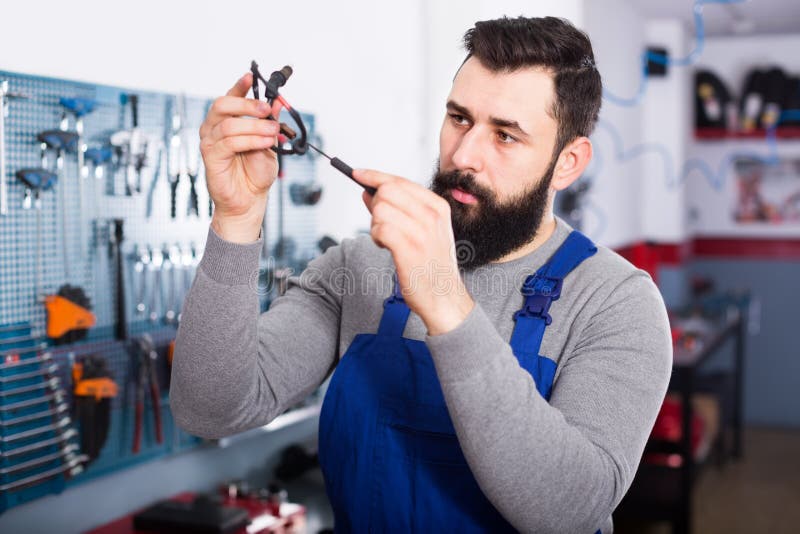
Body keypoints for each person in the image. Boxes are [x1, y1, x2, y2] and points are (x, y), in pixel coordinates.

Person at [171, 16, 672, 533]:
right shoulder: (360, 269)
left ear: (567, 163)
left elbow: (569, 512)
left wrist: (444, 300)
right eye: (459, 118)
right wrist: (236, 218)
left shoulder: (617, 304)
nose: (464, 155)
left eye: (505, 136)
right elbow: (209, 410)